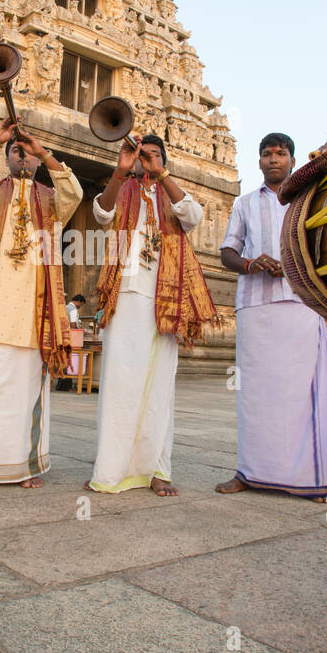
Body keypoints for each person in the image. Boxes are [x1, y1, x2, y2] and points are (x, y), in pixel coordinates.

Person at [0, 116, 82, 488]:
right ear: (6, 159)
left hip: (34, 310)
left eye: (28, 154)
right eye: (16, 151)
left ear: (37, 161)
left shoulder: (52, 202)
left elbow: (74, 193)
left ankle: (23, 467)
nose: (22, 157)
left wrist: (44, 150)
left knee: (26, 391)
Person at [215, 133, 327, 501]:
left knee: (300, 394)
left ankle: (312, 478)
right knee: (254, 394)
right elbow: (227, 253)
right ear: (258, 162)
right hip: (255, 305)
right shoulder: (244, 204)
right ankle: (250, 472)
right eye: (267, 154)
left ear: (292, 159)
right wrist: (252, 263)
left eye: (281, 153)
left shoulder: (310, 200)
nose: (274, 159)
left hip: (302, 303)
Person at [89, 135, 217, 496]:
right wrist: (120, 171)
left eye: (153, 155)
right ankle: (111, 470)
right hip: (126, 296)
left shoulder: (171, 193)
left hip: (166, 300)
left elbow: (193, 216)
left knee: (160, 386)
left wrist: (161, 175)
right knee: (117, 384)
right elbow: (101, 213)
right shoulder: (123, 188)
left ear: (162, 159)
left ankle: (158, 469)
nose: (145, 159)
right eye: (141, 154)